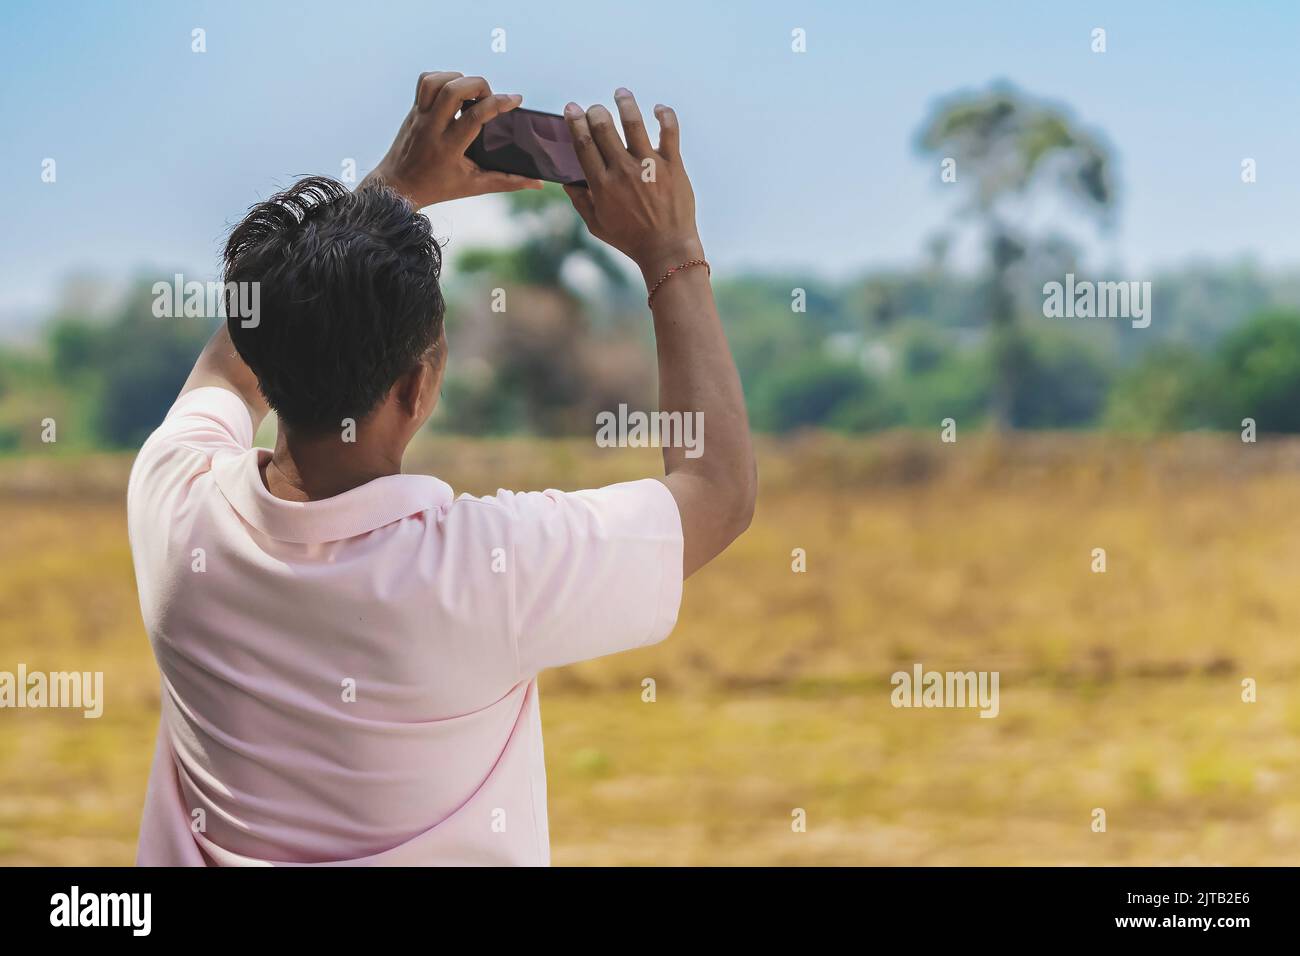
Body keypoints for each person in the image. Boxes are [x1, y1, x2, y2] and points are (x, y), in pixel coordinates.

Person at [128, 72, 756, 866]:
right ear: (419, 385)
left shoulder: (173, 508)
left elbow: (224, 375)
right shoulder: (487, 571)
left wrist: (391, 191)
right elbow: (718, 493)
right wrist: (671, 250)